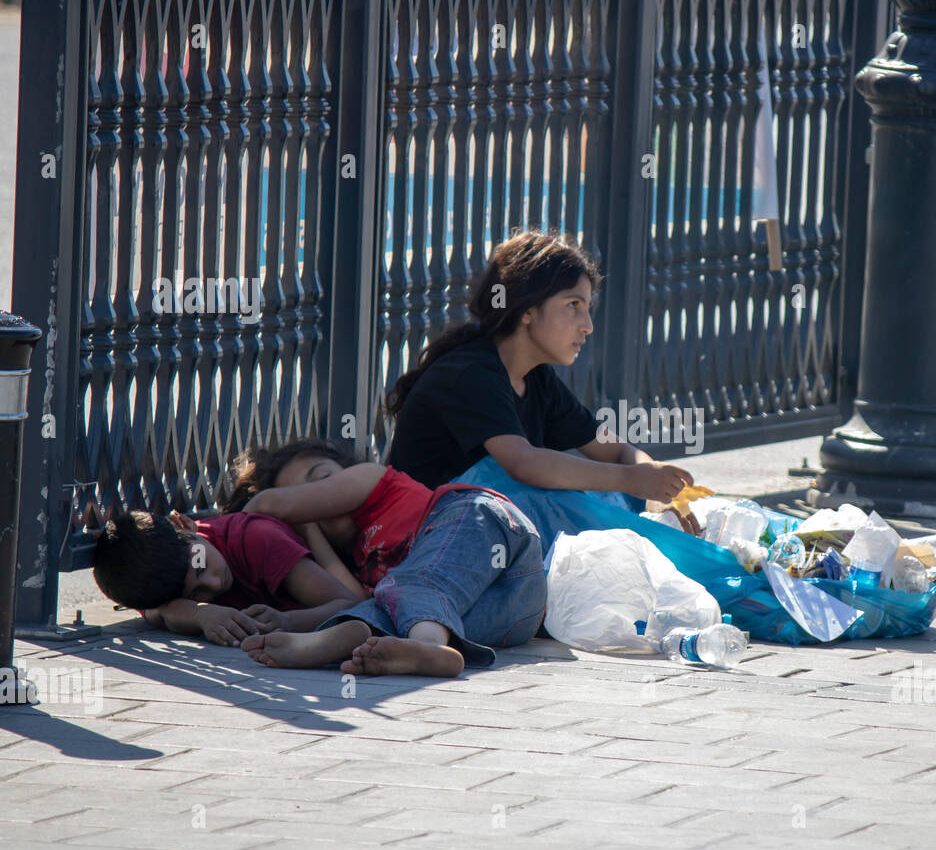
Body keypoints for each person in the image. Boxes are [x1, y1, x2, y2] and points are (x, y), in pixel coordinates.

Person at [384, 229, 694, 507]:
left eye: (588, 308)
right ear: (527, 310)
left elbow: (615, 450)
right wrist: (631, 480)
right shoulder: (470, 373)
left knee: (600, 494)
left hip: (480, 536)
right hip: (420, 540)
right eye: (573, 305)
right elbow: (525, 464)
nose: (587, 326)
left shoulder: (537, 379)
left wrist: (654, 483)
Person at [236, 449, 547, 678]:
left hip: (488, 529)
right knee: (383, 604)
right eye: (302, 503)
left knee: (410, 582)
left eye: (320, 480)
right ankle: (349, 635)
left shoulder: (374, 481)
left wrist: (220, 530)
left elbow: (270, 505)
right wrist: (309, 529)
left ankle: (427, 647)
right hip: (507, 619)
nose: (311, 500)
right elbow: (350, 598)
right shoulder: (357, 561)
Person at [92, 508, 362, 647]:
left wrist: (287, 621)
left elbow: (349, 604)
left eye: (201, 567)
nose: (214, 583)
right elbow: (156, 611)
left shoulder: (256, 541)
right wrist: (200, 614)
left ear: (183, 525)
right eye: (196, 593)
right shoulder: (155, 578)